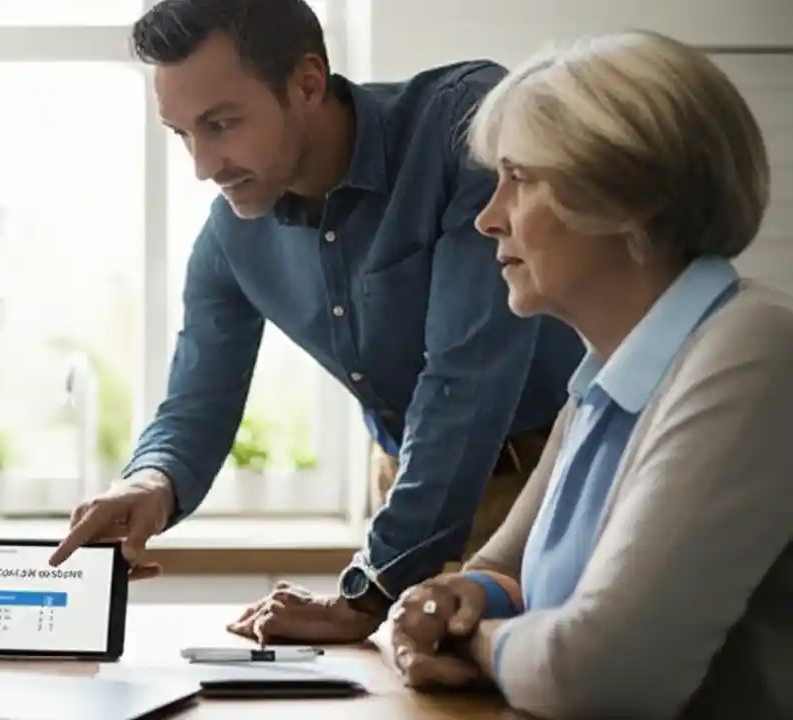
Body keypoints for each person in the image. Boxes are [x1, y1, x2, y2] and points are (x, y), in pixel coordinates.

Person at [50, 0, 583, 641]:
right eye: (182, 133)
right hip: (407, 486)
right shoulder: (229, 237)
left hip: (553, 479)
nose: (202, 164)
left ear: (306, 83)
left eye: (221, 124)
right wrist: (150, 483)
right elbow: (197, 403)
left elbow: (464, 379)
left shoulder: (459, 126)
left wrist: (367, 591)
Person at [376, 30, 792, 719]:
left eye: (519, 178)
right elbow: (503, 571)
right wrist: (452, 603)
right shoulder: (607, 370)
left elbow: (595, 672)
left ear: (626, 191)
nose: (487, 218)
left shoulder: (754, 349)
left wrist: (475, 640)